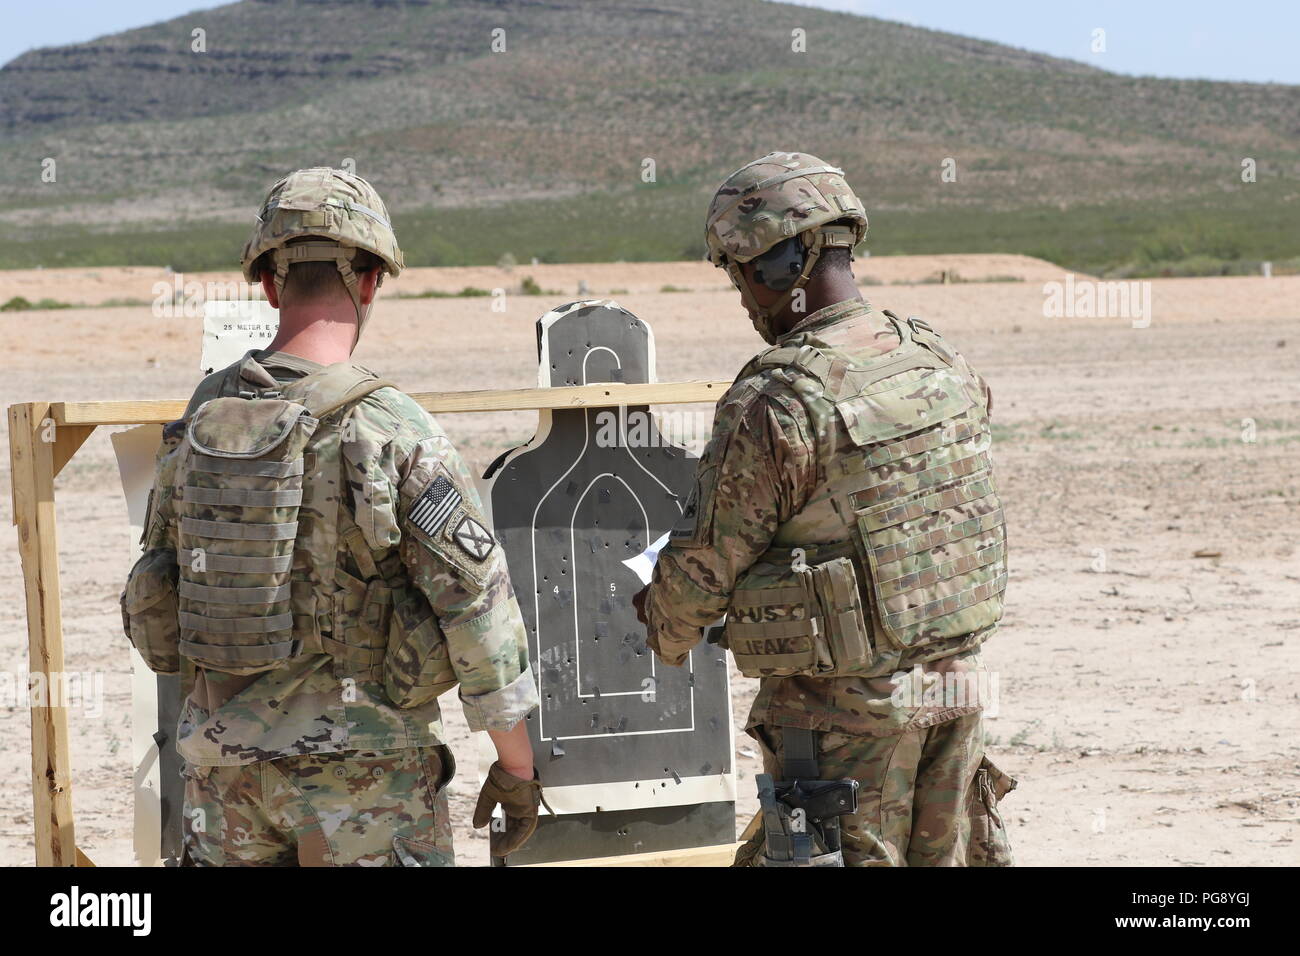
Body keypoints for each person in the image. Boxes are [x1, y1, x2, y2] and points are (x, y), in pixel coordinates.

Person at [121, 167, 544, 866]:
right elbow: (477, 610)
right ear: (369, 281)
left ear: (267, 284)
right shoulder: (395, 427)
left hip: (224, 777)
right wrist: (517, 768)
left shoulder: (202, 419)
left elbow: (160, 582)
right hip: (366, 781)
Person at [634, 152, 1016, 866]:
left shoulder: (778, 399)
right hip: (957, 697)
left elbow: (705, 569)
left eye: (742, 273)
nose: (747, 298)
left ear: (779, 265)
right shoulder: (939, 359)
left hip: (841, 731)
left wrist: (660, 619)